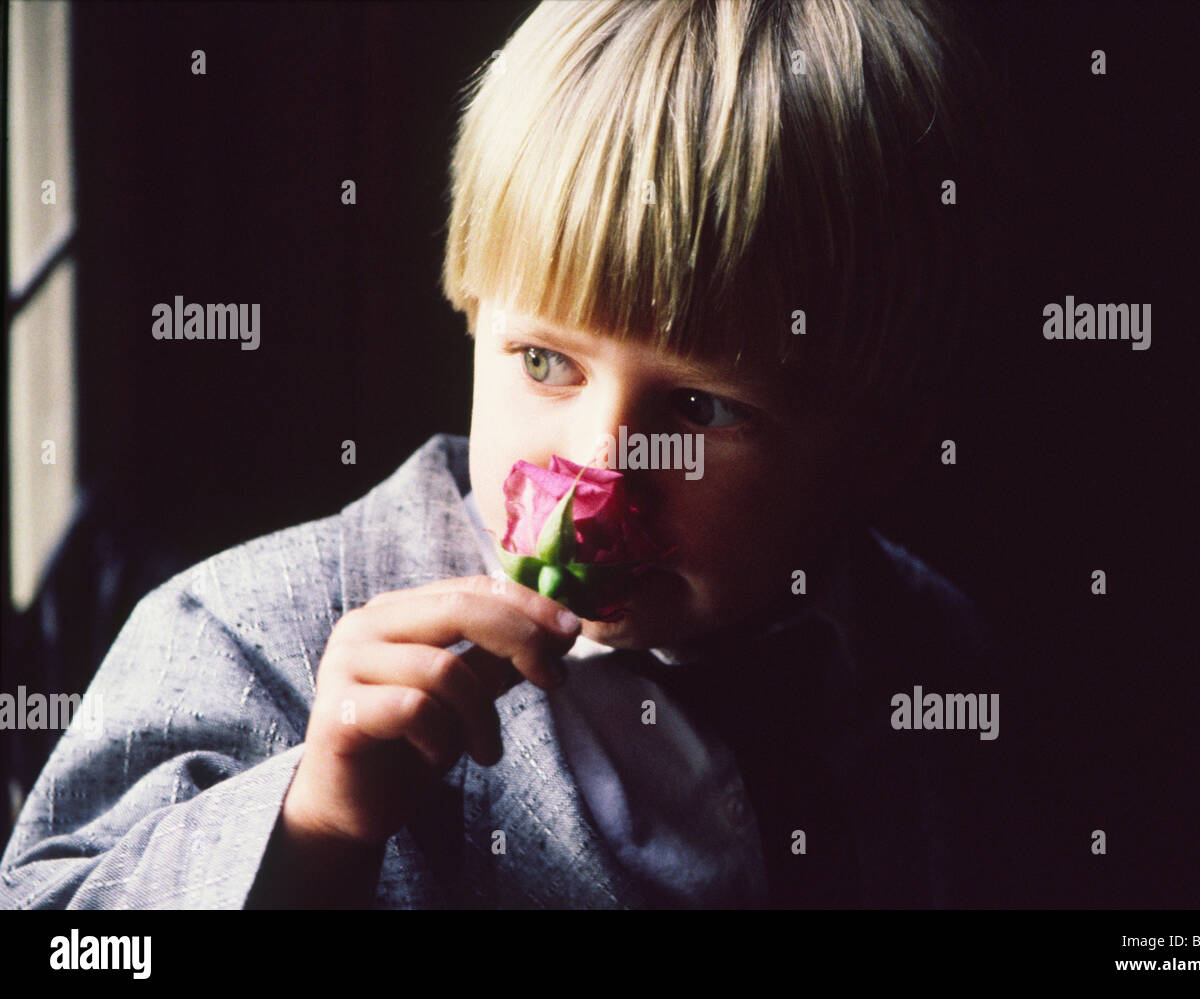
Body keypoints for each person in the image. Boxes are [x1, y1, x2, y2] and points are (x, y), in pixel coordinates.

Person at [1, 0, 1026, 909]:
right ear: (472, 313)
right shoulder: (232, 639)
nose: (599, 469)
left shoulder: (926, 650)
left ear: (878, 439)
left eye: (702, 407)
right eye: (544, 359)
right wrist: (310, 833)